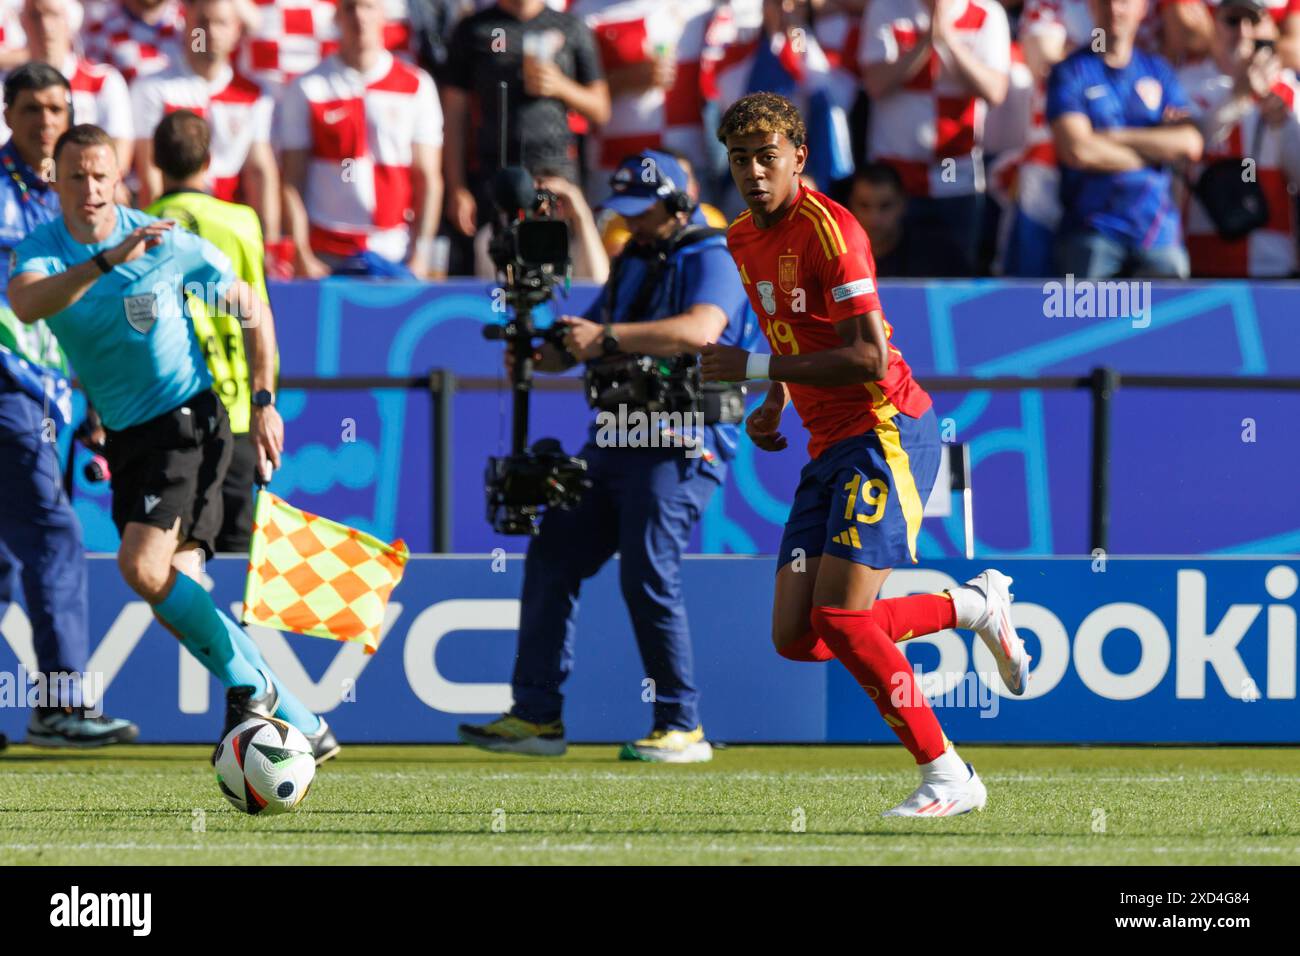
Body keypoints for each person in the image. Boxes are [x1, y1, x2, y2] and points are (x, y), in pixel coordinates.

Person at [704, 92, 1029, 816]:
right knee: (799, 635)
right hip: (828, 445)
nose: (754, 172)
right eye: (740, 160)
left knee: (845, 620)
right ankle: (970, 607)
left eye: (767, 157)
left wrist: (755, 373)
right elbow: (788, 329)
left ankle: (949, 775)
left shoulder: (833, 229)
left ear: (799, 157)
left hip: (886, 433)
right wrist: (774, 400)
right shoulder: (741, 237)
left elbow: (867, 355)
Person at [7, 123, 339, 763]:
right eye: (76, 176)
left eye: (102, 175)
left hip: (188, 421)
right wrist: (107, 261)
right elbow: (26, 305)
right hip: (128, 436)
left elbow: (250, 308)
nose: (91, 189)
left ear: (119, 177)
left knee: (140, 566)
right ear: (57, 181)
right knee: (170, 590)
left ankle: (252, 688)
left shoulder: (164, 243)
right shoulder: (43, 250)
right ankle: (304, 721)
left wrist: (264, 399)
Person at [459, 149, 752, 763]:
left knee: (647, 570)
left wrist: (605, 339)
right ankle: (536, 716)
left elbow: (701, 329)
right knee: (553, 553)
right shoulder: (635, 263)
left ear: (674, 203)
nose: (631, 224)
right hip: (618, 436)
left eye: (640, 212)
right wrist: (541, 352)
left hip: (684, 435)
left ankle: (681, 723)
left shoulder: (715, 252)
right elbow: (583, 342)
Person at [0, 65, 138, 747]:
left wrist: (97, 396)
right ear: (8, 112)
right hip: (7, 387)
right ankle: (59, 703)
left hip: (52, 388)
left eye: (57, 108)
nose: (45, 120)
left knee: (5, 552)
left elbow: (99, 307)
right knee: (55, 534)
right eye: (31, 108)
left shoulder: (82, 198)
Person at [145, 108, 270, 549]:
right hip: (233, 405)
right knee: (236, 546)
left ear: (155, 161)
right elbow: (259, 312)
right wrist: (263, 402)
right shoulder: (241, 222)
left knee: (173, 544)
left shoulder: (141, 228)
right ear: (208, 161)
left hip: (167, 409)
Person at [278, 0, 443, 278]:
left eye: (368, 7)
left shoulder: (417, 85)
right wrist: (302, 253)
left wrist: (421, 254)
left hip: (395, 253)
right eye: (350, 8)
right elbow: (292, 180)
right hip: (326, 254)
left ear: (383, 14)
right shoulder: (306, 87)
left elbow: (428, 177)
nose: (359, 17)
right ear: (337, 17)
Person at [440, 0, 609, 270]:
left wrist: (560, 86)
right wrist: (456, 187)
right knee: (496, 268)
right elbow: (453, 116)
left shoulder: (570, 26)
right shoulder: (473, 29)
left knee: (564, 270)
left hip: (557, 174)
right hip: (494, 174)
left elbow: (601, 109)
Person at [1048, 0, 1203, 277]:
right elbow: (1078, 150)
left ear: (1142, 9)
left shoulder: (1158, 71)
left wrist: (1110, 138)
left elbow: (1190, 144)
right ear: (1093, 7)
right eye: (1106, 2)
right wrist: (1155, 153)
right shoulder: (1071, 72)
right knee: (1088, 318)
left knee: (1172, 318)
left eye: (1124, 2)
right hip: (1093, 230)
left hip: (1157, 234)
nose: (1115, 10)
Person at [861, 0, 1012, 277]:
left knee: (955, 279)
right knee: (886, 281)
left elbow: (994, 90)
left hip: (957, 180)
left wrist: (948, 42)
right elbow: (876, 83)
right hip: (895, 180)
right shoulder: (885, 7)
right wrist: (925, 43)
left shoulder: (987, 14)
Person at [130, 0, 280, 252]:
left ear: (237, 31)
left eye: (221, 23)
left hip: (228, 230)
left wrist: (271, 245)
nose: (211, 32)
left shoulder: (254, 95)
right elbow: (150, 172)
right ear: (186, 24)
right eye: (202, 22)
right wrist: (157, 236)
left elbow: (259, 170)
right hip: (175, 228)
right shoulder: (152, 87)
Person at [1179, 0, 1300, 276]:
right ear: (1214, 25)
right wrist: (1239, 97)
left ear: (1269, 28)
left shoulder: (1289, 89)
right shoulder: (1186, 82)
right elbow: (1183, 151)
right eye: (1232, 21)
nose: (1243, 32)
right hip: (1202, 261)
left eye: (1253, 22)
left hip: (1272, 263)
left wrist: (1283, 120)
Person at [14, 0, 133, 174]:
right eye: (35, 16)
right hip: (23, 189)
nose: (45, 25)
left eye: (53, 15)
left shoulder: (104, 81)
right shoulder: (7, 87)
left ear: (71, 22)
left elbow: (120, 147)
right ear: (23, 23)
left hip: (87, 188)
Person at [843, 162, 919, 277]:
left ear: (902, 204)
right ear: (850, 205)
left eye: (885, 206)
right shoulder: (831, 258)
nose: (874, 219)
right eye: (864, 205)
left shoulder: (934, 258)